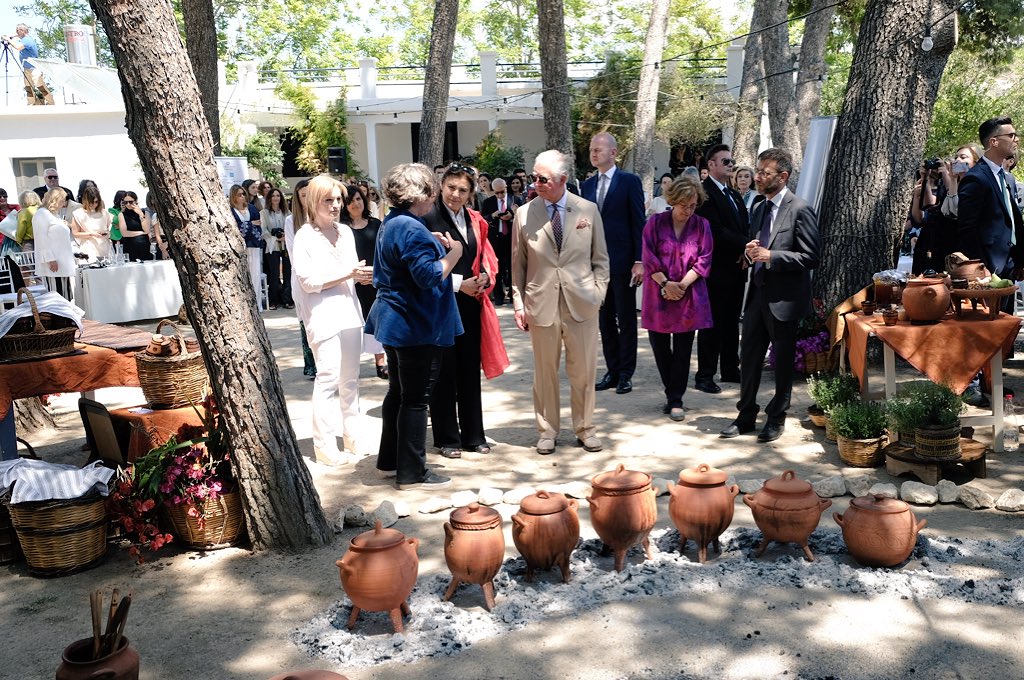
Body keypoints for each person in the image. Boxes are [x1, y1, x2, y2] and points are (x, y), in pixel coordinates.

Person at [365, 163, 463, 489]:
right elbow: (429, 275)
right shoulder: (409, 227)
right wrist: (454, 253)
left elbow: (407, 259)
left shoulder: (395, 222)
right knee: (416, 399)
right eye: (432, 189)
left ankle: (390, 462)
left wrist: (430, 241)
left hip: (396, 321)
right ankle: (412, 472)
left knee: (399, 392)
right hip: (414, 324)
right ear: (422, 193)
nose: (436, 195)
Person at [512, 149, 609, 455]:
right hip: (541, 303)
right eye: (533, 177)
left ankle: (585, 428)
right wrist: (518, 303)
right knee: (544, 372)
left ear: (563, 179)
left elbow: (601, 259)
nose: (536, 183)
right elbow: (517, 265)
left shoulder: (588, 210)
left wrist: (597, 294)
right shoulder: (524, 213)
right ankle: (547, 430)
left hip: (582, 303)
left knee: (583, 372)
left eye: (543, 178)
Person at [720, 148, 820, 443]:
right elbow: (756, 249)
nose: (758, 177)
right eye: (758, 171)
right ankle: (746, 414)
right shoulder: (758, 208)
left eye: (764, 173)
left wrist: (771, 255)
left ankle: (777, 416)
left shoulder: (800, 209)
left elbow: (811, 257)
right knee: (748, 356)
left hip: (784, 300)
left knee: (783, 360)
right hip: (757, 295)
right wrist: (750, 252)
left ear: (783, 176)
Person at [422, 163, 506, 459]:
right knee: (445, 370)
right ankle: (447, 437)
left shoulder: (474, 219)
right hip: (441, 301)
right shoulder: (428, 216)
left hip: (471, 302)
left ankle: (474, 434)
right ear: (441, 187)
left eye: (462, 190)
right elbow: (425, 267)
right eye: (451, 188)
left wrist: (484, 277)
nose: (455, 195)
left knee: (470, 368)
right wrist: (460, 285)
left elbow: (482, 255)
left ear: (471, 193)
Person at [292, 176, 373, 466]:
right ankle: (324, 445)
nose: (336, 205)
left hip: (350, 312)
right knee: (328, 379)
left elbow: (353, 272)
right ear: (314, 202)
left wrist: (362, 276)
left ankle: (353, 436)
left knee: (350, 380)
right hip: (323, 315)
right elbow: (308, 281)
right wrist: (348, 274)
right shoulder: (304, 236)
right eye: (329, 200)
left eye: (338, 199)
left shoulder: (346, 233)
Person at [641, 175, 713, 421]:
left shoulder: (702, 225)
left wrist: (680, 285)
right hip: (658, 293)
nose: (689, 210)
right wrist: (666, 284)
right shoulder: (655, 223)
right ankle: (671, 392)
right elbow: (649, 257)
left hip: (688, 294)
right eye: (685, 205)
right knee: (660, 348)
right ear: (673, 201)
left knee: (683, 349)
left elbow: (704, 260)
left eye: (693, 205)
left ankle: (676, 399)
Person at [582, 132, 645, 395]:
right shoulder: (586, 186)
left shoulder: (629, 181)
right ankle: (612, 369)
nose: (594, 153)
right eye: (592, 149)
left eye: (598, 149)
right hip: (596, 265)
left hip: (623, 262)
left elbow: (638, 222)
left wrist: (639, 260)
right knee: (604, 320)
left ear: (613, 153)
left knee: (626, 319)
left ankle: (626, 374)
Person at [694, 144, 749, 393]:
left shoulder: (734, 194)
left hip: (737, 267)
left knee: (730, 322)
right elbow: (714, 230)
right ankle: (705, 375)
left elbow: (742, 227)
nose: (730, 164)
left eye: (731, 160)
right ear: (711, 165)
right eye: (725, 161)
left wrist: (745, 252)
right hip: (715, 270)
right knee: (712, 323)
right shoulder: (704, 193)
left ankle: (729, 368)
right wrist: (745, 245)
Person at [958, 116, 1024, 288]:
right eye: (1011, 135)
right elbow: (967, 228)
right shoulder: (975, 178)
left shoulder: (1008, 179)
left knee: (1008, 316)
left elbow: (1013, 221)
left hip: (1010, 266)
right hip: (987, 271)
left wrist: (1019, 260)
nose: (1016, 139)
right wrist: (980, 268)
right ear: (994, 141)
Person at [340, 183, 386, 378]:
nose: (355, 203)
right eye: (350, 201)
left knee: (377, 321)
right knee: (352, 324)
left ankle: (381, 361)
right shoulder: (340, 229)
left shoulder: (376, 224)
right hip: (351, 282)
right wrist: (355, 275)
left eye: (358, 199)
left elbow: (385, 253)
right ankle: (349, 365)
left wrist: (375, 274)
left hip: (376, 280)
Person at [285, 179, 317, 378]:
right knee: (306, 320)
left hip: (323, 275)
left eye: (309, 194)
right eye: (303, 195)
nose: (306, 198)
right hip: (301, 275)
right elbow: (291, 250)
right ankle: (312, 365)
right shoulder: (291, 221)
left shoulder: (321, 217)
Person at [480, 177, 520, 306]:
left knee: (512, 267)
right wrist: (493, 215)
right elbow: (483, 219)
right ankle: (498, 296)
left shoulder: (515, 200)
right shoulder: (488, 202)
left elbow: (523, 218)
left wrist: (513, 215)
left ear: (506, 189)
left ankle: (514, 295)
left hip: (511, 238)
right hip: (496, 239)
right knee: (497, 269)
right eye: (497, 193)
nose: (500, 195)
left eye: (502, 192)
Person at [33, 188, 75, 299]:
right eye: (62, 200)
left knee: (65, 296)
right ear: (55, 200)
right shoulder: (42, 214)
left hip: (63, 262)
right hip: (53, 263)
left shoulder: (54, 215)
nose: (64, 203)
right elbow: (41, 239)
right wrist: (50, 259)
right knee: (56, 297)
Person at [229, 184, 264, 311]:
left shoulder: (252, 208)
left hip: (253, 245)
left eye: (244, 193)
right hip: (238, 247)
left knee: (255, 274)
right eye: (239, 194)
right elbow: (233, 227)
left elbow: (258, 225)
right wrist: (250, 224)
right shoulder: (230, 211)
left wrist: (246, 225)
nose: (242, 196)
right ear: (234, 196)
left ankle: (257, 304)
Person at [261, 187, 293, 311]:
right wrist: (275, 238)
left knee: (287, 273)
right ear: (269, 198)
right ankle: (274, 300)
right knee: (274, 274)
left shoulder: (287, 213)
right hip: (272, 246)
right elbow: (264, 231)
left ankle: (287, 299)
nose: (276, 198)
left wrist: (285, 237)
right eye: (273, 196)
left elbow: (291, 227)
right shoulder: (264, 213)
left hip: (286, 245)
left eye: (278, 196)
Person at [6, 24, 53, 105]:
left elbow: (18, 47)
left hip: (34, 69)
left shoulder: (27, 40)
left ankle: (50, 102)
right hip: (27, 68)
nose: (17, 32)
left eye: (18, 30)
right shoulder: (24, 39)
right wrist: (13, 37)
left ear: (23, 31)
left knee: (40, 86)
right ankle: (31, 103)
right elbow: (17, 42)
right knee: (28, 88)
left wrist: (8, 40)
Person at [69, 185, 112, 261]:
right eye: (91, 202)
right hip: (89, 248)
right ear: (86, 200)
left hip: (105, 247)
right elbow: (75, 233)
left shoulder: (104, 213)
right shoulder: (78, 214)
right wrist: (92, 234)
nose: (93, 205)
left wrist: (106, 233)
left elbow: (109, 230)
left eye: (96, 202)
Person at [117, 191, 152, 261]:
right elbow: (124, 233)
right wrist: (141, 233)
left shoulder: (145, 213)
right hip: (129, 245)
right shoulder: (122, 215)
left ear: (136, 201)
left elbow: (147, 230)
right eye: (125, 202)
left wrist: (140, 214)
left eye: (130, 202)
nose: (128, 204)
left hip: (143, 245)